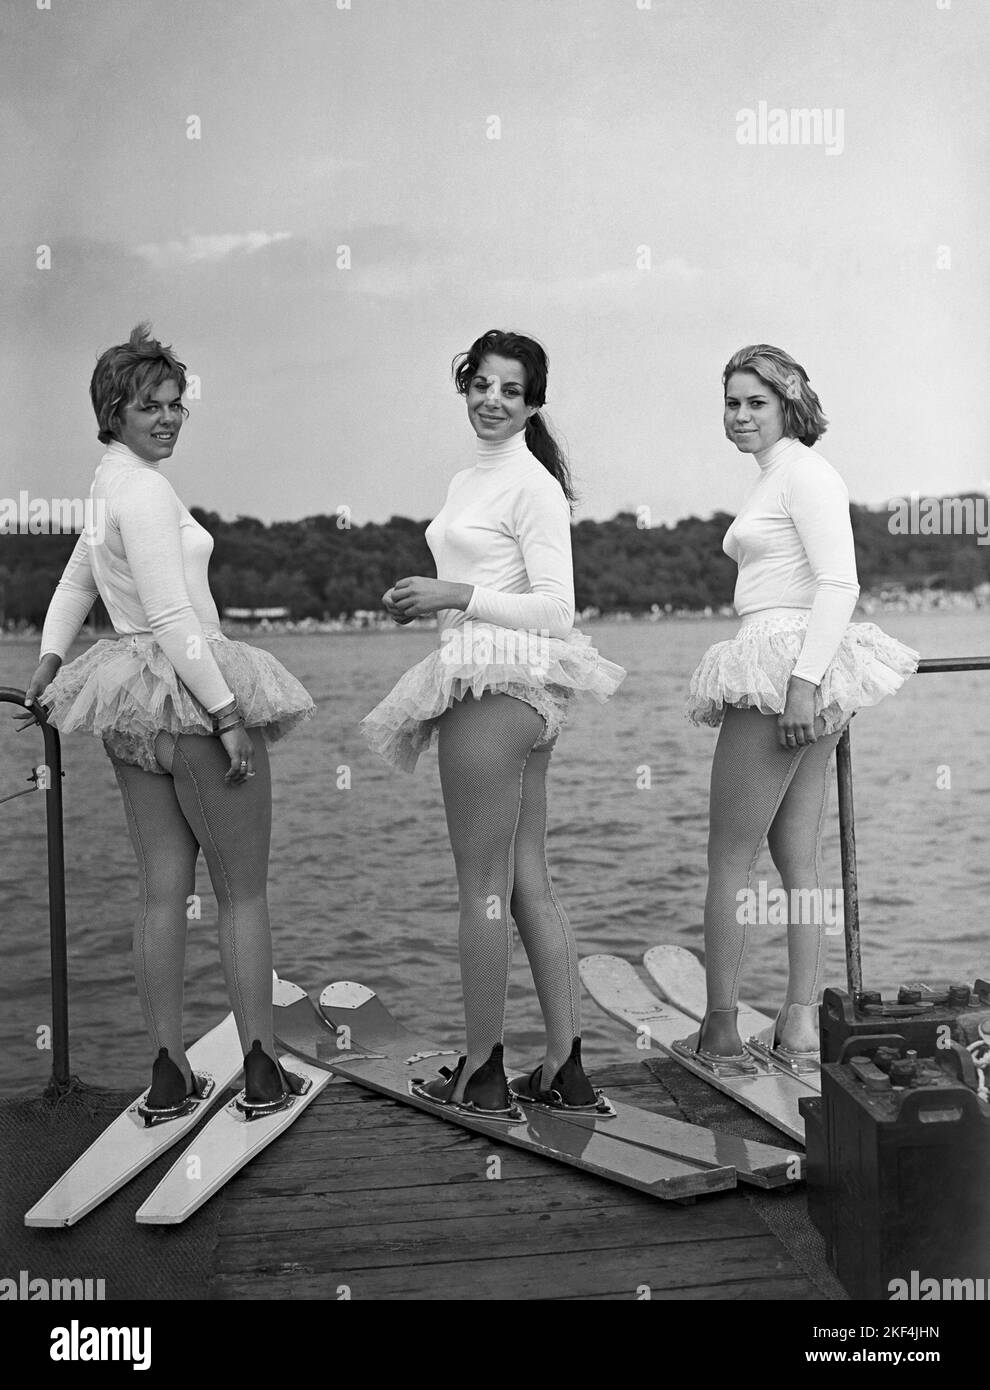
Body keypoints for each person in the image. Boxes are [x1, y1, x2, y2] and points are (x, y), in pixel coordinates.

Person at [14, 324, 316, 1117]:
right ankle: (260, 1070)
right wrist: (226, 713)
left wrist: (48, 662)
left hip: (132, 705)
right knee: (242, 893)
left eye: (177, 404)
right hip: (185, 692)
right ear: (112, 411)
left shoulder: (110, 481)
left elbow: (79, 582)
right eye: (152, 406)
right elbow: (175, 614)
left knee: (159, 892)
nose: (170, 418)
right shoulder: (143, 489)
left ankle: (170, 1072)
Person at [361, 329, 625, 1116]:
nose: (493, 400)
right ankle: (566, 1071)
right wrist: (444, 603)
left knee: (482, 887)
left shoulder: (531, 486)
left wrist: (453, 597)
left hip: (501, 693)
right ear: (465, 386)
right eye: (481, 383)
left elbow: (556, 608)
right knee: (524, 885)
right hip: (504, 688)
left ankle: (481, 1074)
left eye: (511, 390)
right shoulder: (468, 478)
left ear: (533, 402)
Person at [679, 344, 918, 1070]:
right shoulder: (777, 477)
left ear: (788, 403)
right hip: (797, 664)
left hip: (785, 666)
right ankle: (802, 1022)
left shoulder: (806, 474)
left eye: (757, 401)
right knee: (796, 858)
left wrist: (803, 683)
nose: (741, 415)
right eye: (732, 402)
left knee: (729, 858)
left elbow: (839, 584)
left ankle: (720, 1030)